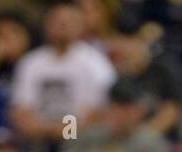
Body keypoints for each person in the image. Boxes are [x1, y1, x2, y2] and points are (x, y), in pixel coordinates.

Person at [9, 1, 115, 143]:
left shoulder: (96, 64)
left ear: (81, 25)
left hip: (80, 141)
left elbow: (96, 114)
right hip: (35, 140)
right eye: (58, 21)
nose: (63, 26)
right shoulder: (30, 62)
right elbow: (21, 111)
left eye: (70, 21)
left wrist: (62, 132)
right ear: (46, 24)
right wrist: (47, 130)